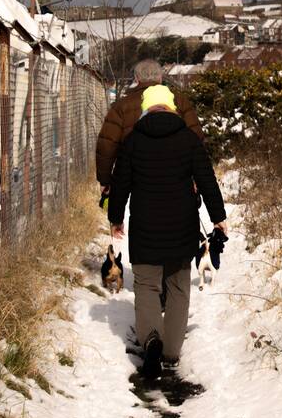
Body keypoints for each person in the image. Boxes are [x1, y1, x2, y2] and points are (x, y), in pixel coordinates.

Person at [106, 84, 226, 377]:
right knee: (178, 287)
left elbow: (120, 182)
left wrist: (116, 217)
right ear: (172, 107)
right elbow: (206, 179)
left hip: (146, 224)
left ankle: (151, 341)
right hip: (181, 224)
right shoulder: (188, 139)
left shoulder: (133, 141)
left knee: (147, 286)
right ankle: (171, 353)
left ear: (147, 108)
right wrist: (218, 217)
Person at [95, 59, 205, 196]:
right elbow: (196, 138)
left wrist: (105, 180)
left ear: (136, 78)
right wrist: (197, 177)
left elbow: (107, 145)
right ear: (160, 77)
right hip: (177, 175)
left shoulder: (121, 105)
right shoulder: (180, 101)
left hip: (138, 178)